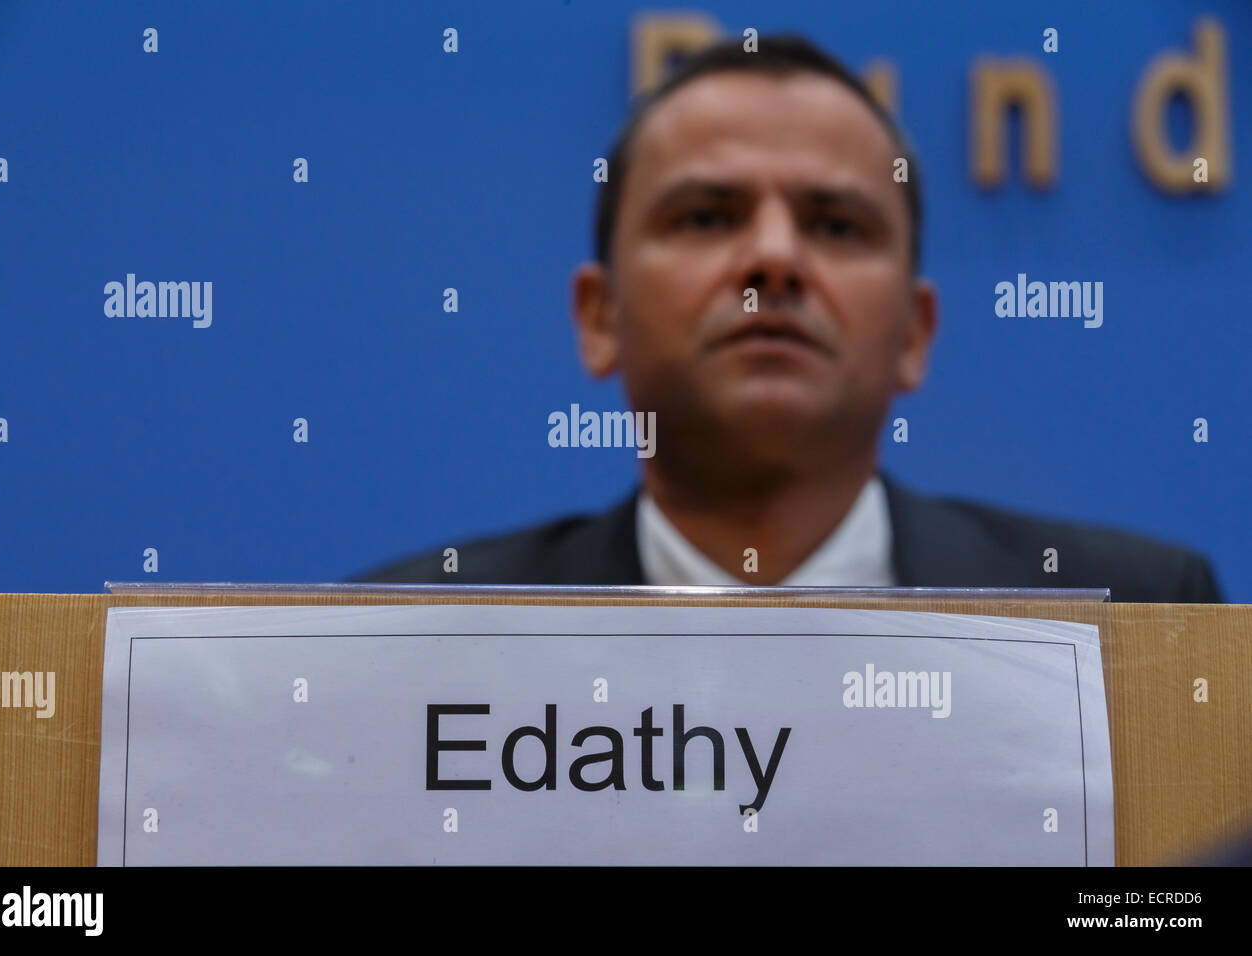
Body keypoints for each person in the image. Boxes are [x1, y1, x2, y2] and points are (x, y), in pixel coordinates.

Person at [353, 35, 1223, 603]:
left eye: (837, 226)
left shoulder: (1133, 614)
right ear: (600, 316)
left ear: (915, 334)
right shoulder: (413, 638)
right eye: (706, 217)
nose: (775, 259)